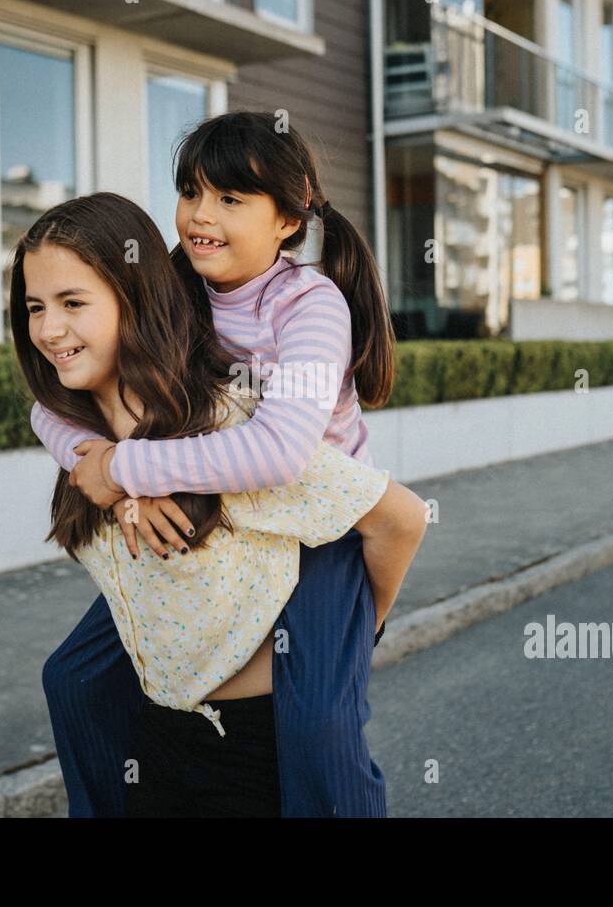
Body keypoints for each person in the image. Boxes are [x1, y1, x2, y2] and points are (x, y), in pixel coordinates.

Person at [32, 112, 416, 815]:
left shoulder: (309, 307)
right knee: (75, 679)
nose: (200, 215)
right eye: (189, 191)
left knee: (317, 730)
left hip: (315, 537)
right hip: (224, 526)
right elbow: (54, 404)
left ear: (289, 218)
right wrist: (100, 469)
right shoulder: (175, 295)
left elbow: (279, 451)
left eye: (231, 199)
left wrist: (127, 470)